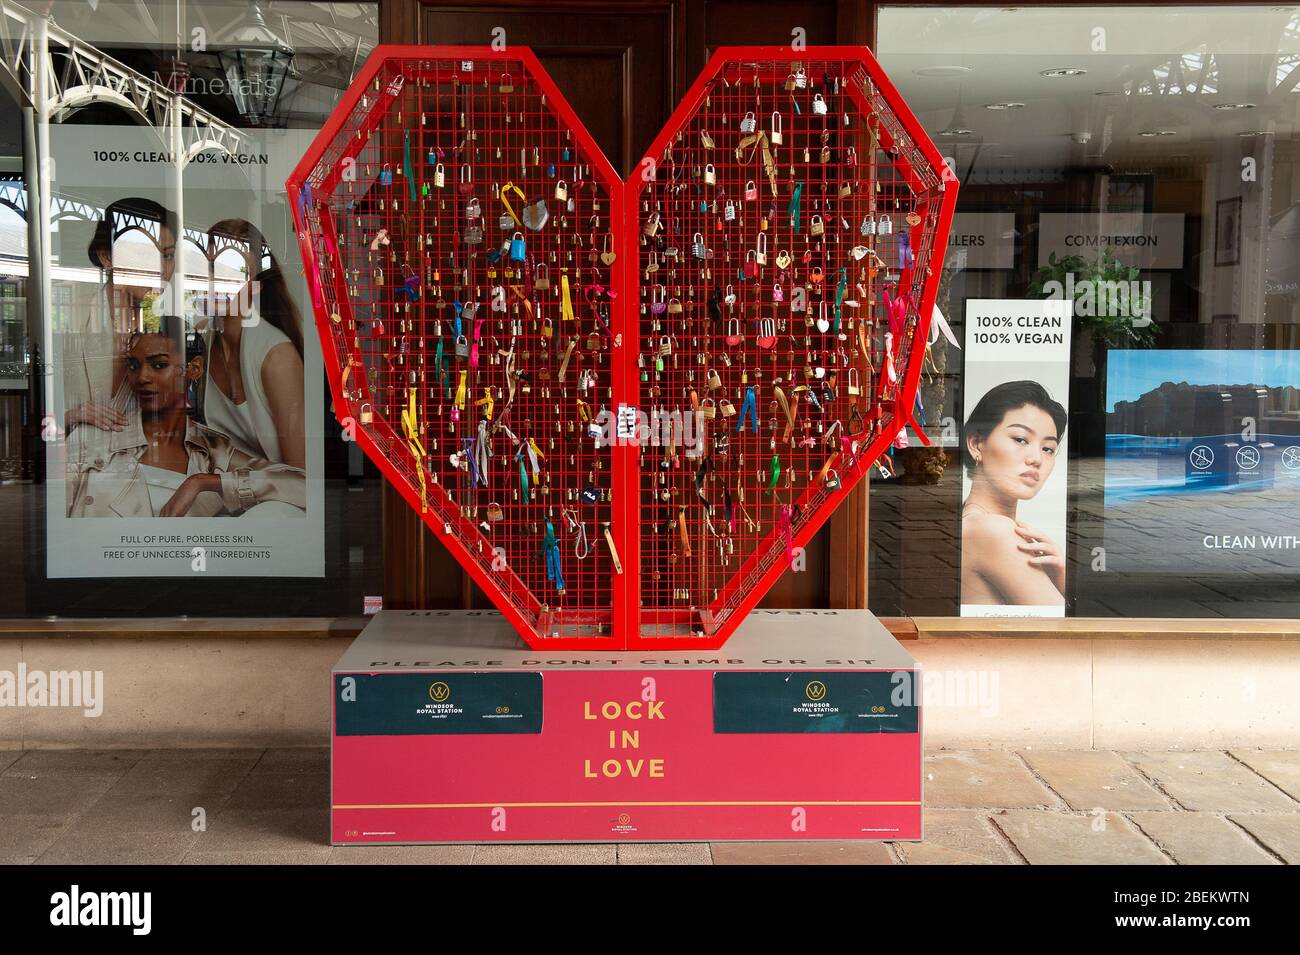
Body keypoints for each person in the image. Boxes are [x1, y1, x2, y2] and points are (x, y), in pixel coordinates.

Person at [65, 316, 304, 518]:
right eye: (133, 365)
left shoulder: (212, 452)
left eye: (159, 365)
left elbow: (304, 486)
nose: (142, 378)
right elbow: (53, 528)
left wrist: (201, 482)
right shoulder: (93, 440)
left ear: (194, 369)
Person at [64, 198, 179, 435]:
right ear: (107, 257)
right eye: (146, 252)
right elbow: (34, 420)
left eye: (167, 256)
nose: (162, 269)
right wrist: (72, 415)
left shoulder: (170, 329)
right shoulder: (70, 321)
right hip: (75, 465)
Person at [199, 218, 305, 468]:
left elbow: (300, 475)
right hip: (219, 491)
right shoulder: (204, 342)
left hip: (276, 498)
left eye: (233, 269)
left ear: (257, 281)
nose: (217, 280)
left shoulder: (277, 356)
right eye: (208, 267)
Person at [960, 380, 1067, 607]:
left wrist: (1057, 576)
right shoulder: (993, 531)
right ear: (976, 444)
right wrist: (1064, 581)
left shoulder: (977, 523)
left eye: (1048, 448)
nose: (1036, 458)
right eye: (1020, 439)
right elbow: (1066, 631)